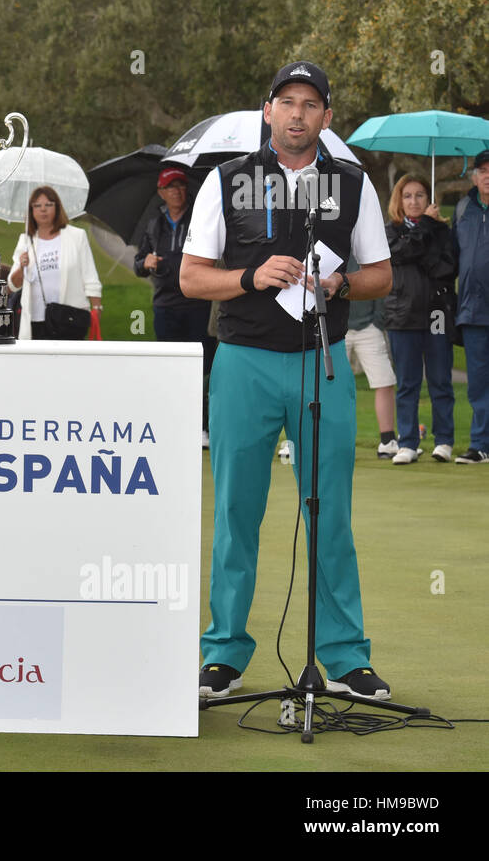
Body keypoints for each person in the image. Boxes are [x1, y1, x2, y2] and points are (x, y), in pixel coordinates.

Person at [180, 61, 393, 701]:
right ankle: (223, 656)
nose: (298, 114)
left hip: (320, 361)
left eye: (311, 104)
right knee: (236, 511)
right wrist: (250, 277)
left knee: (328, 511)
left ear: (327, 117)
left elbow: (381, 275)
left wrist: (341, 283)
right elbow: (192, 277)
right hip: (242, 360)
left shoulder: (354, 185)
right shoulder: (225, 181)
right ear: (267, 111)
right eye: (286, 102)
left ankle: (345, 656)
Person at [134, 166, 216, 442]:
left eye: (180, 185)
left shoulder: (199, 217)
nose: (177, 191)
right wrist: (145, 263)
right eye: (170, 187)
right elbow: (139, 263)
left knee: (203, 368)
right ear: (161, 193)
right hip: (165, 307)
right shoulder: (154, 223)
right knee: (173, 368)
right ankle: (176, 424)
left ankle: (203, 426)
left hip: (197, 303)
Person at [382, 173, 457, 464]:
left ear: (429, 199)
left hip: (437, 312)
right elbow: (399, 254)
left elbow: (446, 270)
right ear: (399, 200)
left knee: (440, 379)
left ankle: (445, 440)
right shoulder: (391, 231)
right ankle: (408, 443)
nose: (414, 201)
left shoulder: (442, 231)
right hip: (403, 315)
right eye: (408, 196)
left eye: (420, 195)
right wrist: (424, 229)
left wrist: (427, 235)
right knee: (408, 383)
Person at [8, 186, 101, 340]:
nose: (43, 210)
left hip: (69, 318)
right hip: (35, 320)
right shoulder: (25, 240)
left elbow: (90, 276)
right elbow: (12, 285)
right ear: (31, 211)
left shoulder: (77, 236)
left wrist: (96, 307)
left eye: (48, 205)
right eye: (37, 206)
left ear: (57, 208)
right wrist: (22, 266)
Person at [452, 150, 489, 463]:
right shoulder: (463, 209)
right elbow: (451, 259)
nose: (488, 175)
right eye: (483, 170)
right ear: (475, 176)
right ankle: (479, 445)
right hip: (473, 311)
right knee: (478, 385)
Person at [343, 267, 399, 458]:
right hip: (336, 328)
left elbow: (381, 283)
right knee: (320, 384)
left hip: (368, 327)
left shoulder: (367, 247)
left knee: (384, 381)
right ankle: (311, 438)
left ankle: (388, 440)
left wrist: (378, 322)